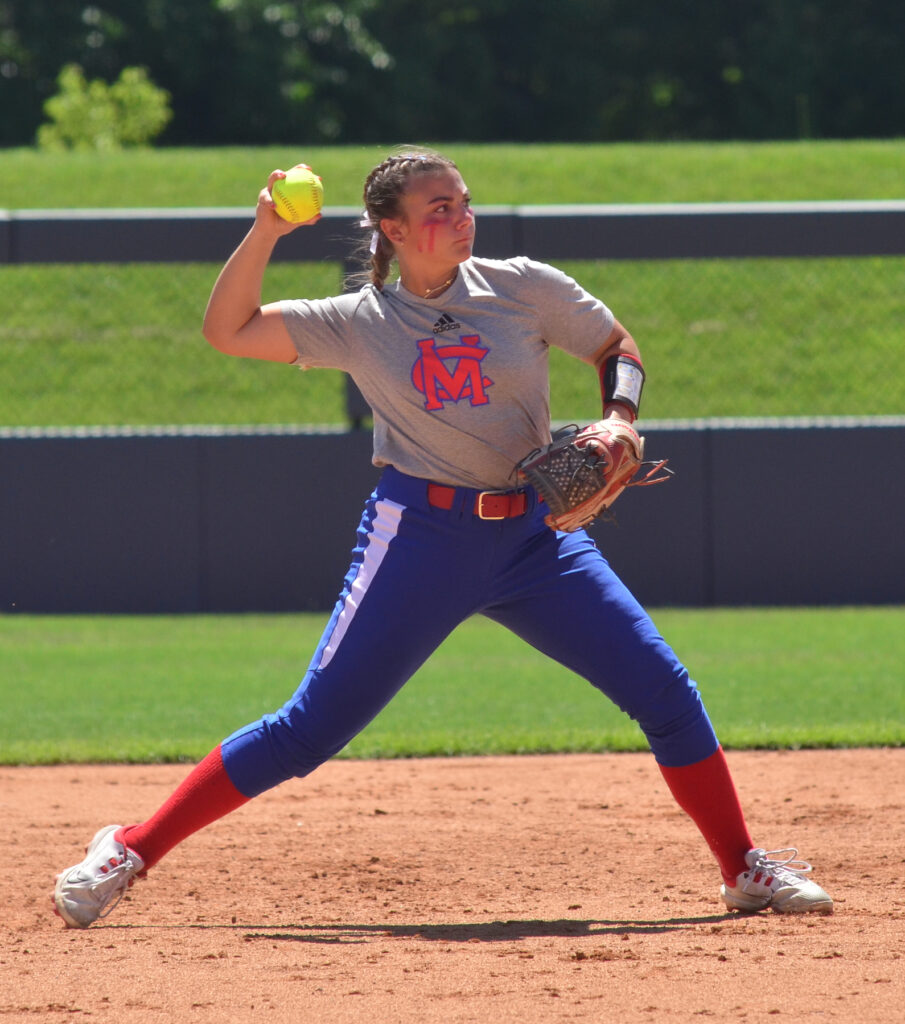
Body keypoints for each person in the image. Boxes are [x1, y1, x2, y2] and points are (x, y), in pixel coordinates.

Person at [52, 148, 833, 928]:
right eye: (439, 210)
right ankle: (129, 846)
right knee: (307, 731)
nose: (462, 219)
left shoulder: (521, 286)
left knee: (663, 691)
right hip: (418, 538)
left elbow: (616, 347)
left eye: (462, 203)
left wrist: (618, 417)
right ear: (390, 229)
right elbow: (228, 330)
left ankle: (741, 868)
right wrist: (264, 231)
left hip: (536, 538)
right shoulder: (360, 322)